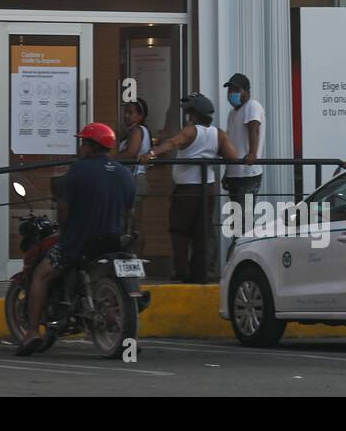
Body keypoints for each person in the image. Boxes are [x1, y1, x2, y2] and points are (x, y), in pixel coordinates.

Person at [17, 122, 134, 356]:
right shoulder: (123, 172)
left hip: (80, 242)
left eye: (83, 142)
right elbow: (129, 210)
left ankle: (31, 333)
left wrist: (66, 231)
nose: (81, 146)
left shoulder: (78, 170)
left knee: (41, 274)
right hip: (113, 240)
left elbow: (63, 208)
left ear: (92, 146)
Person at [144, 93, 240, 283]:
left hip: (187, 190)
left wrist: (152, 153)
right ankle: (201, 272)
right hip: (208, 189)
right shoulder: (218, 133)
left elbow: (173, 142)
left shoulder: (190, 131)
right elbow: (233, 157)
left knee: (179, 231)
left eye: (189, 114)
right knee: (201, 231)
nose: (188, 118)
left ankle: (182, 271)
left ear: (194, 115)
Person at [222, 73, 265, 205]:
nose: (232, 93)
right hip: (234, 172)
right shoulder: (232, 113)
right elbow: (231, 141)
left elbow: (254, 130)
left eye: (237, 90)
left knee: (244, 218)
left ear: (246, 92)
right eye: (230, 90)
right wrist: (227, 171)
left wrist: (252, 154)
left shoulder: (252, 105)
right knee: (237, 217)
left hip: (248, 172)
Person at [118, 99, 152, 258]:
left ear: (141, 116)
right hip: (129, 180)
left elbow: (130, 154)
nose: (126, 116)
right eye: (125, 112)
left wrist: (108, 159)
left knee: (135, 223)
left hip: (135, 180)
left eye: (130, 112)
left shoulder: (138, 130)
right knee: (129, 223)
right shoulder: (131, 132)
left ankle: (138, 260)